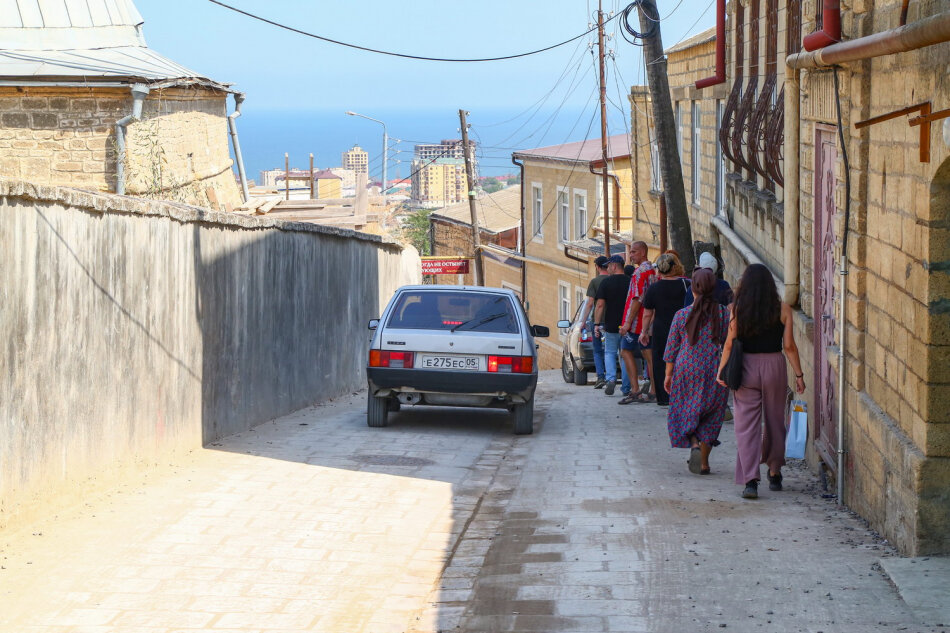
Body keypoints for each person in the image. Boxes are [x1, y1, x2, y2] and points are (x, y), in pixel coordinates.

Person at [716, 263, 806, 499]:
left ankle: (750, 480)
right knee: (776, 419)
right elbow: (789, 346)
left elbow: (729, 343)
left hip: (746, 367)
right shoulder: (783, 309)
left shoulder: (736, 309)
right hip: (774, 365)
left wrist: (721, 370)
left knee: (746, 425)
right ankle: (775, 472)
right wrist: (799, 375)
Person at [663, 269, 730, 474]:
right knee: (711, 415)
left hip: (686, 368)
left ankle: (693, 444)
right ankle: (704, 462)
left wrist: (668, 375)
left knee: (686, 410)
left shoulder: (682, 315)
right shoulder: (724, 313)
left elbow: (672, 348)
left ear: (692, 288)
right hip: (714, 369)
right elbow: (729, 343)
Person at [639, 253, 691, 406]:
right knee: (682, 360)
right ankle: (683, 394)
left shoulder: (654, 288)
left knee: (661, 360)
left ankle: (664, 397)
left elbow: (647, 314)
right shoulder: (686, 285)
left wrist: (644, 332)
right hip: (683, 328)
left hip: (661, 329)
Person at [618, 241, 656, 405]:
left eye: (633, 252)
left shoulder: (639, 273)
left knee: (626, 350)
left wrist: (627, 323)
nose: (631, 255)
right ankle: (653, 390)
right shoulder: (652, 270)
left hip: (638, 323)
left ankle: (635, 390)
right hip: (649, 321)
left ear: (642, 253)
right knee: (649, 356)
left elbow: (637, 299)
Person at [593, 254, 630, 396]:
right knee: (626, 354)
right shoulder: (630, 281)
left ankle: (611, 379)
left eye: (608, 266)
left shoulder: (606, 283)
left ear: (614, 266)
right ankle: (626, 387)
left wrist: (597, 323)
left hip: (611, 324)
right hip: (627, 325)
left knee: (609, 352)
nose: (607, 268)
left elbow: (600, 305)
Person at [580, 255, 610, 388]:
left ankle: (600, 377)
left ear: (597, 267)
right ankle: (611, 377)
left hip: (597, 321)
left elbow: (590, 303)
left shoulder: (594, 282)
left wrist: (583, 321)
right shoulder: (612, 280)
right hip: (612, 320)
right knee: (611, 350)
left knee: (598, 350)